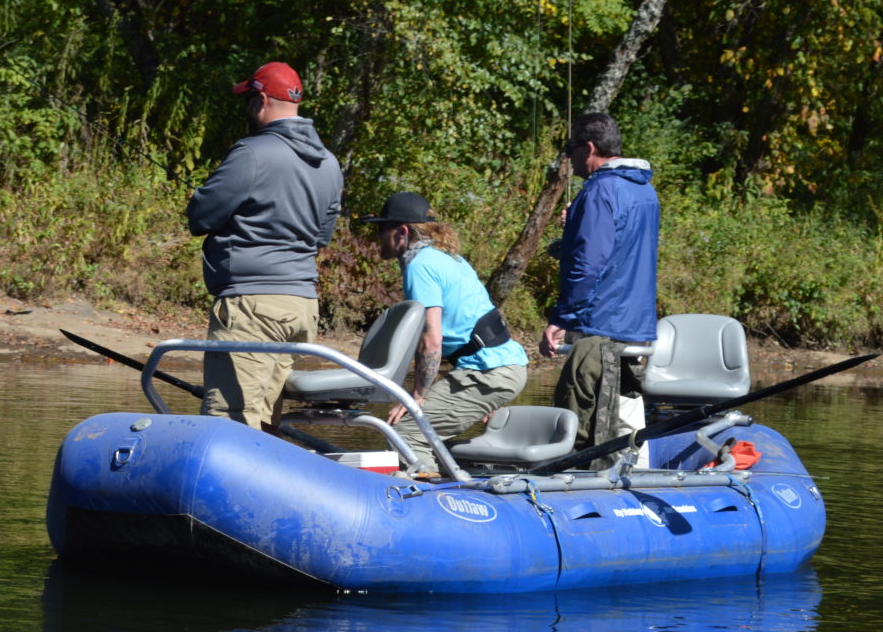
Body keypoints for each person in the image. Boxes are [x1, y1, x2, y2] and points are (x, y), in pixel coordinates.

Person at [186, 61, 344, 431]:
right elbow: (321, 237)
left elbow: (201, 218)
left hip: (253, 306)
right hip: (302, 306)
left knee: (230, 420)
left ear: (260, 99)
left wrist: (197, 198)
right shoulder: (330, 164)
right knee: (265, 421)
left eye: (248, 100)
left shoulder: (252, 153)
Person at [364, 192, 529, 466]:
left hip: (489, 373)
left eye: (383, 228)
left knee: (405, 432)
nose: (378, 236)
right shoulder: (446, 257)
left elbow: (431, 340)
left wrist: (416, 397)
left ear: (402, 232)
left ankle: (423, 499)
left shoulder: (420, 266)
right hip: (498, 368)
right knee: (418, 431)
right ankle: (446, 476)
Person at [538, 112, 660, 454]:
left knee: (586, 412)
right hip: (635, 323)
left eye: (571, 148)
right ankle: (637, 478)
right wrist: (575, 225)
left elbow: (588, 263)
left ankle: (587, 478)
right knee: (627, 404)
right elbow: (620, 250)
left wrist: (562, 317)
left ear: (589, 148)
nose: (570, 157)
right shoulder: (645, 190)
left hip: (599, 322)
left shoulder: (599, 191)